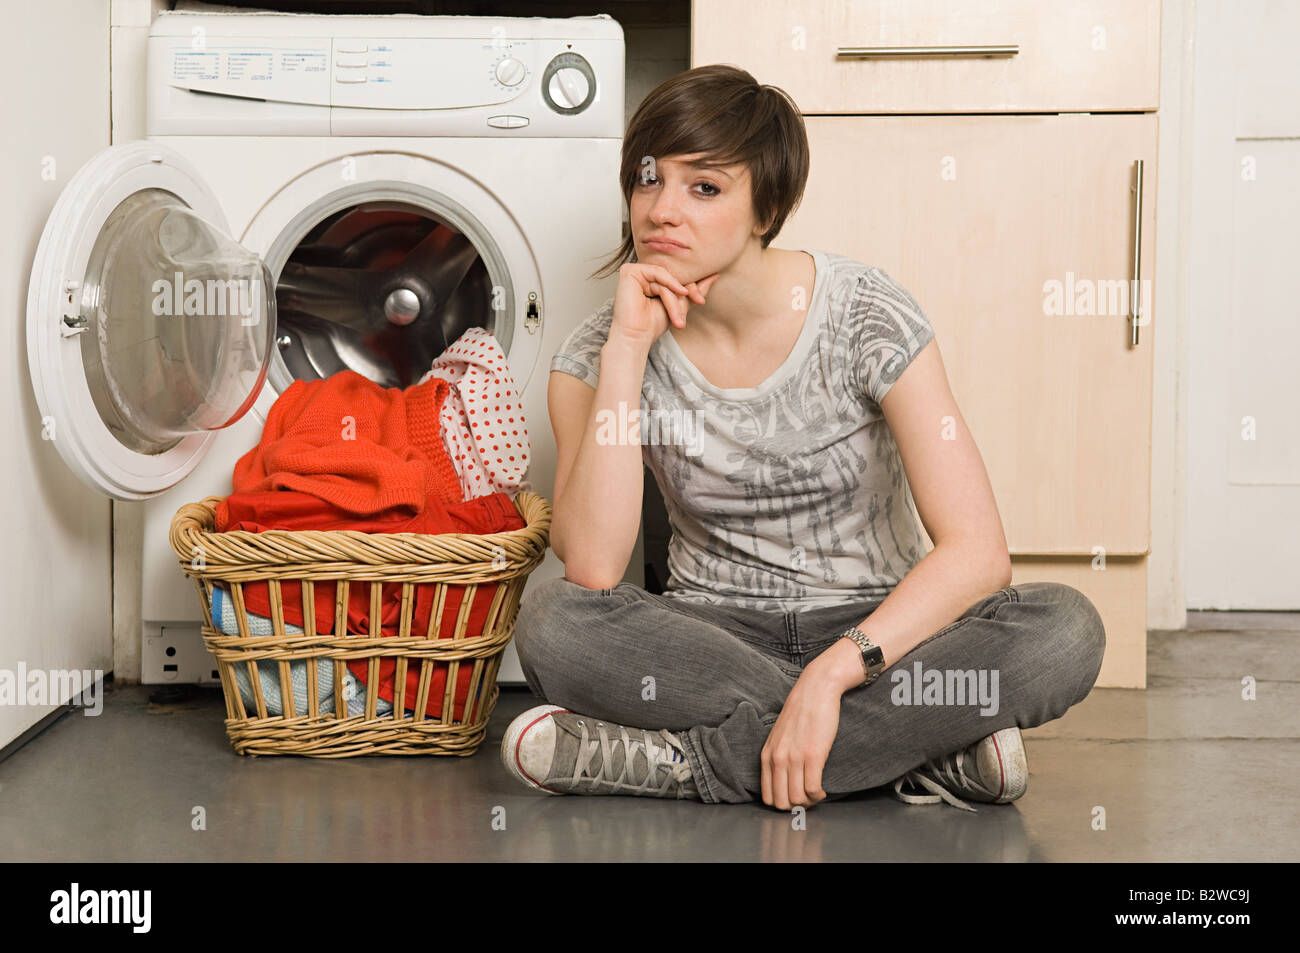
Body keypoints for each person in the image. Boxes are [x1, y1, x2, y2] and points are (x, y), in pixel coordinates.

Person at [500, 65, 1106, 811]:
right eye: (648, 181)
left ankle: (694, 763)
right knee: (552, 622)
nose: (661, 211)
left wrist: (833, 672)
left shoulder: (864, 315)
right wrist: (626, 351)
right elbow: (593, 567)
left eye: (706, 188)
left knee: (1065, 629)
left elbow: (977, 552)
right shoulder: (595, 355)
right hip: (710, 639)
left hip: (882, 636)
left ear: (768, 207)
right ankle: (915, 754)